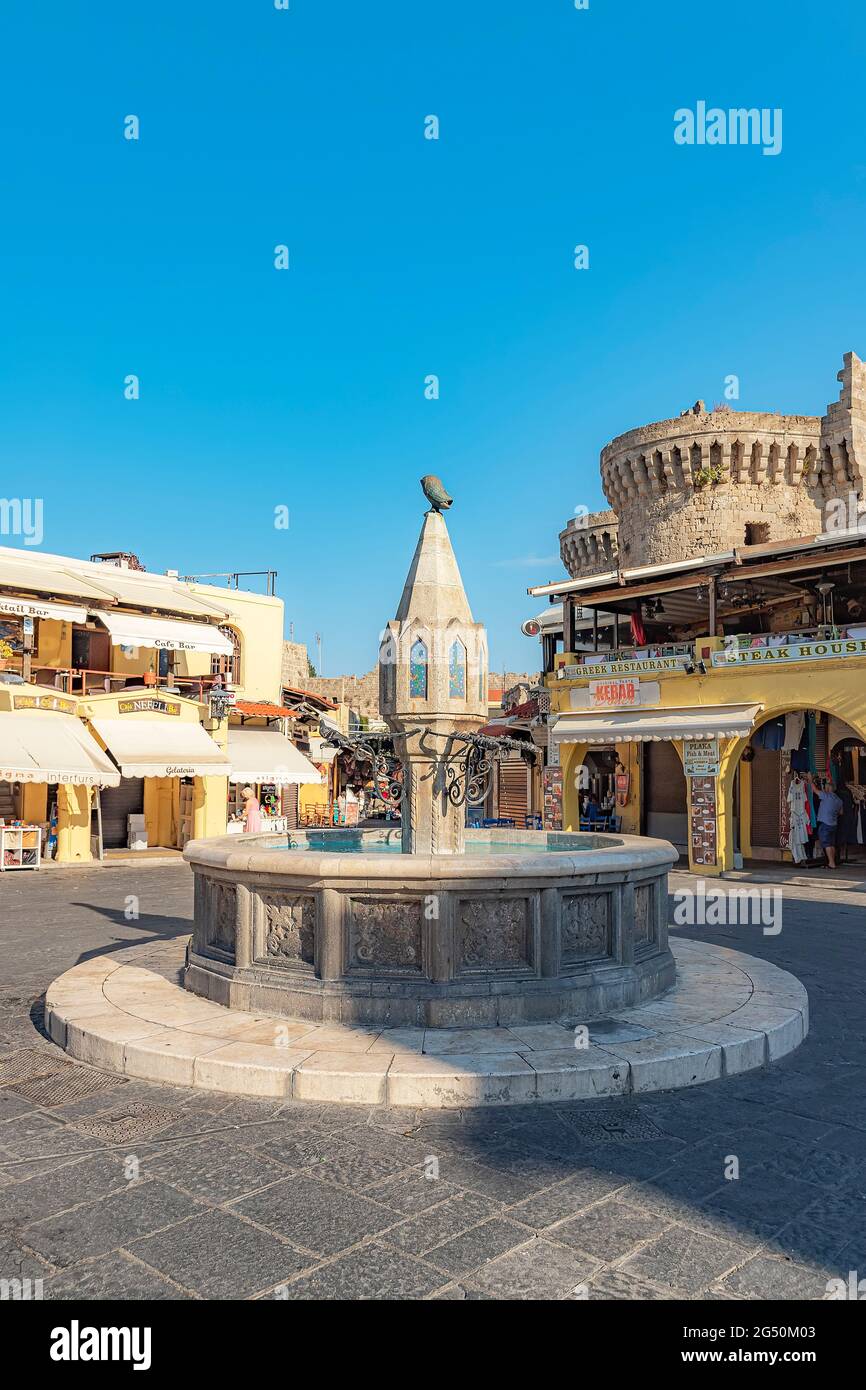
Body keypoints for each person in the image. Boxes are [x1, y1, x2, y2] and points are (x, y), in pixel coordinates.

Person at [808, 774, 843, 869]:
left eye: (826, 787)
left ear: (828, 789)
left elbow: (815, 790)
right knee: (831, 844)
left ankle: (831, 863)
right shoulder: (839, 800)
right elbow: (841, 812)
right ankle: (832, 862)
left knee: (827, 844)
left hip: (825, 824)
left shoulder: (826, 796)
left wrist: (810, 780)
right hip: (833, 824)